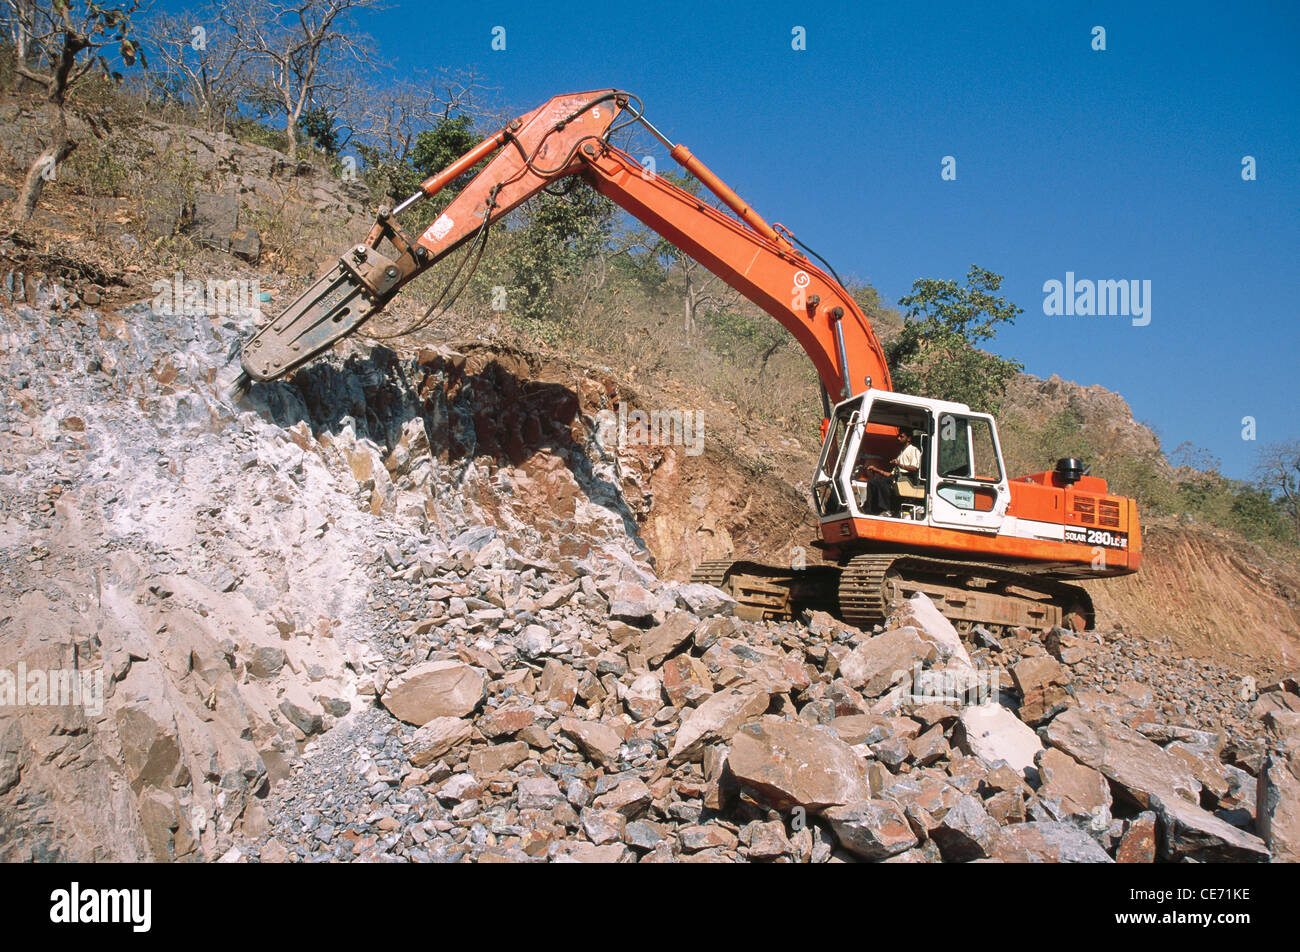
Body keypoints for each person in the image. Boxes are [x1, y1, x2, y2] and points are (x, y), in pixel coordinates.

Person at [861, 430, 922, 516]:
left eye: (901, 436)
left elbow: (915, 468)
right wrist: (876, 470)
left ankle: (887, 509)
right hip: (896, 477)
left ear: (908, 439)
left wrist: (899, 464)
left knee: (883, 484)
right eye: (898, 436)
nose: (898, 438)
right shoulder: (901, 453)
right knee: (872, 482)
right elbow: (891, 475)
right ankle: (870, 509)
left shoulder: (914, 450)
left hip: (907, 478)